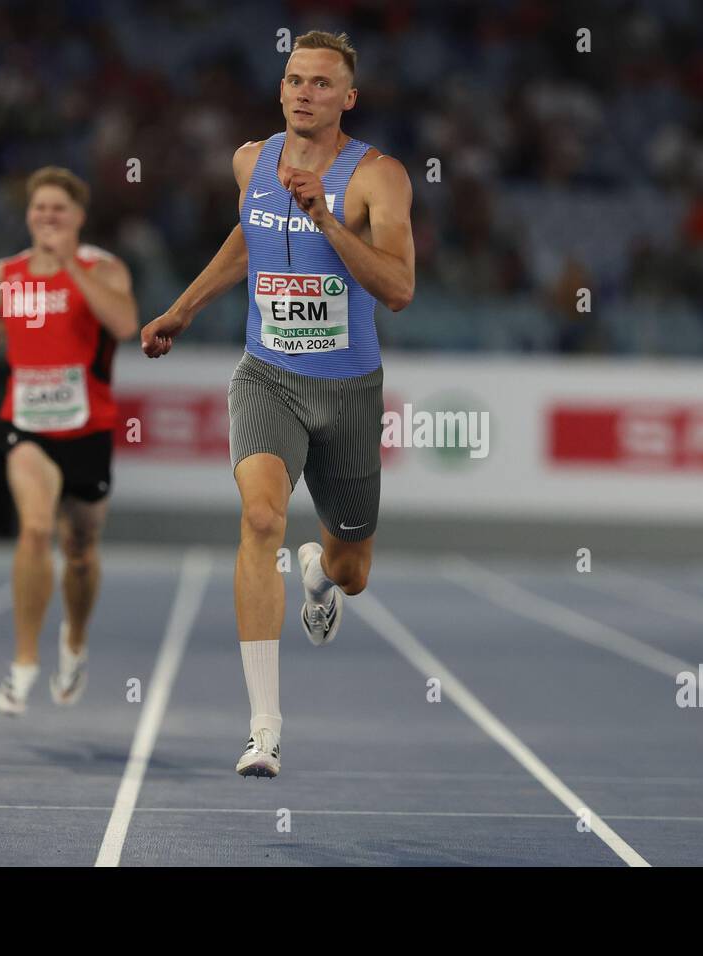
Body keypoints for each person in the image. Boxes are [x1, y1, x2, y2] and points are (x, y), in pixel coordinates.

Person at [141, 31, 414, 778]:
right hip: (267, 378)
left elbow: (398, 288)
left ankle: (321, 577)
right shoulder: (251, 161)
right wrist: (183, 308)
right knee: (259, 516)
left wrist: (327, 217)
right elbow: (248, 237)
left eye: (323, 84)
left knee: (354, 567)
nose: (304, 93)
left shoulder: (378, 178)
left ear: (348, 98)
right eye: (295, 79)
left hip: (349, 390)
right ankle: (264, 728)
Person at [0, 167, 138, 715]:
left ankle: (73, 640)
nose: (48, 218)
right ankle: (24, 663)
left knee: (80, 551)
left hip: (87, 427)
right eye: (40, 209)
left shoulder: (104, 267)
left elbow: (124, 325)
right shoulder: (9, 272)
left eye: (59, 210)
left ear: (78, 217)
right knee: (35, 529)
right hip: (25, 423)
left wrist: (70, 263)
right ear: (28, 215)